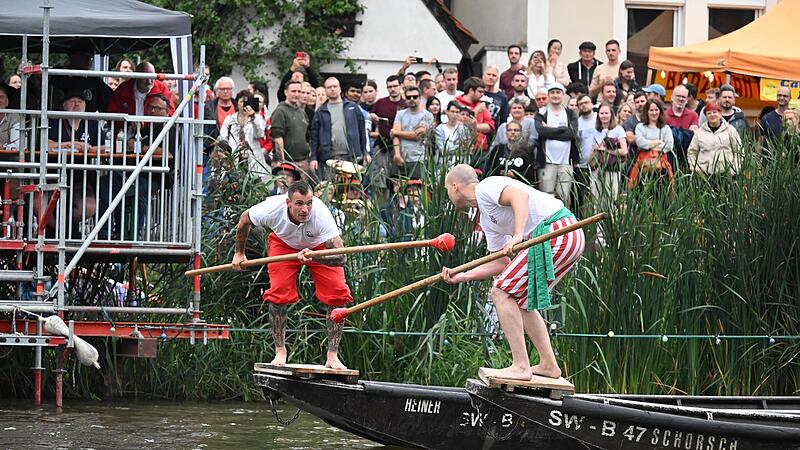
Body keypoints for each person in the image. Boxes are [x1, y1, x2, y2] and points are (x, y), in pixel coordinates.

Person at [441, 165, 585, 380]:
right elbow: (501, 263)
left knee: (500, 291)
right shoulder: (486, 219)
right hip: (563, 237)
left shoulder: (486, 187)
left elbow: (519, 196)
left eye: (447, 190)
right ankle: (548, 365)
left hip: (558, 231)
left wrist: (518, 235)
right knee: (520, 299)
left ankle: (520, 366)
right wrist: (463, 275)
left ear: (455, 187)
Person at [232, 181, 352, 370]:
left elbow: (341, 258)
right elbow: (244, 220)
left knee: (338, 292)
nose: (305, 209)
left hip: (317, 248)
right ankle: (280, 351)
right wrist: (239, 253)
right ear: (288, 202)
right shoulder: (270, 209)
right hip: (283, 245)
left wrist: (313, 258)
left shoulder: (321, 216)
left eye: (309, 203)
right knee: (279, 293)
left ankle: (332, 356)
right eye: (299, 204)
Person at [309, 77, 368, 180]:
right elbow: (314, 137)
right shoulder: (321, 111)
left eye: (335, 86)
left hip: (352, 156)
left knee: (353, 189)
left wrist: (365, 152)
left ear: (340, 88)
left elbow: (362, 131)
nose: (332, 89)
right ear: (325, 90)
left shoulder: (353, 107)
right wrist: (313, 157)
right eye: (329, 87)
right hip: (330, 158)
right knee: (331, 189)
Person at [534, 82, 579, 203]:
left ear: (563, 95)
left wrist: (550, 130)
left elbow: (572, 134)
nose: (555, 95)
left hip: (566, 162)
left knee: (564, 196)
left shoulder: (570, 114)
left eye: (558, 92)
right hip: (547, 162)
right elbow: (541, 131)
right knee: (546, 196)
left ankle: (565, 221)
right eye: (552, 92)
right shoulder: (542, 113)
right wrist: (563, 129)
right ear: (548, 95)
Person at [370, 76, 407, 200]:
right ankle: (381, 211)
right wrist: (374, 118)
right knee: (380, 180)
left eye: (395, 86)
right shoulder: (381, 102)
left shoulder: (405, 104)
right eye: (389, 87)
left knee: (398, 181)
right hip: (382, 145)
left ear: (401, 86)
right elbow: (371, 120)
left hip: (399, 146)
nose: (392, 89)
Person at [219, 90, 269, 181]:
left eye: (246, 102)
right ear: (237, 103)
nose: (243, 104)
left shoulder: (257, 118)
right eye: (241, 101)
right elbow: (223, 137)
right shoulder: (230, 119)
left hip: (252, 161)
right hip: (234, 160)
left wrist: (253, 117)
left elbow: (260, 134)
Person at [687, 101, 741, 177]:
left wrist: (734, 169)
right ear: (706, 116)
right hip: (704, 175)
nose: (712, 115)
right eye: (709, 113)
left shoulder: (731, 131)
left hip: (727, 174)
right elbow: (692, 152)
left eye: (714, 112)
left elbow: (738, 151)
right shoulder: (699, 133)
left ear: (720, 114)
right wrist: (695, 168)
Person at [270, 80, 311, 178]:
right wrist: (282, 162)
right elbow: (277, 138)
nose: (296, 94)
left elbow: (306, 137)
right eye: (293, 91)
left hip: (303, 162)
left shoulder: (302, 113)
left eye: (299, 91)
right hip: (287, 162)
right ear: (285, 92)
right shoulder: (280, 111)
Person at [589, 102, 628, 204]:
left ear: (611, 114)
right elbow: (592, 149)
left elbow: (624, 151)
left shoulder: (618, 129)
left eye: (606, 113)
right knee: (596, 198)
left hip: (612, 169)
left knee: (610, 199)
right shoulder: (596, 131)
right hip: (597, 168)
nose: (604, 116)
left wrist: (606, 150)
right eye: (602, 113)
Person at [392, 85, 434, 179]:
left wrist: (397, 132)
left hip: (419, 159)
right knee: (397, 189)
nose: (411, 99)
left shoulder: (427, 115)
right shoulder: (400, 114)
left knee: (417, 190)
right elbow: (395, 136)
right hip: (401, 158)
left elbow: (417, 135)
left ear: (420, 98)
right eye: (408, 97)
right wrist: (397, 154)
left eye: (415, 97)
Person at [631, 99, 674, 187]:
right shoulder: (640, 127)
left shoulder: (665, 128)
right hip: (643, 164)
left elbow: (669, 145)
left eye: (656, 110)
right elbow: (640, 142)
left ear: (660, 111)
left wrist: (649, 145)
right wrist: (657, 142)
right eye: (651, 110)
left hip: (661, 165)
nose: (654, 113)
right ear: (647, 111)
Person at [456, 77, 495, 152]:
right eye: (480, 92)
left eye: (483, 92)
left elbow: (490, 126)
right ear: (471, 90)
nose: (482, 95)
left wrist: (475, 126)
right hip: (462, 149)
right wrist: (475, 111)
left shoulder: (481, 105)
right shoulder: (456, 103)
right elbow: (461, 124)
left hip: (480, 149)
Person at [575, 94, 596, 215]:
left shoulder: (599, 118)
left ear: (592, 103)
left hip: (598, 165)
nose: (584, 105)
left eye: (586, 102)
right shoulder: (577, 123)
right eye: (581, 104)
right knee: (582, 199)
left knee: (596, 197)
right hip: (582, 166)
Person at [435, 101, 470, 166]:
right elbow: (443, 150)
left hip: (460, 164)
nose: (454, 114)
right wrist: (459, 146)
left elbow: (466, 148)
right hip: (442, 165)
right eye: (452, 111)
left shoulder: (464, 129)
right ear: (447, 112)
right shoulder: (439, 129)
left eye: (457, 112)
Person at [760, 86, 791, 158]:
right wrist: (757, 163)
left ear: (790, 98)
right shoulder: (766, 118)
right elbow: (760, 142)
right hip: (769, 163)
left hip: (790, 164)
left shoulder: (795, 118)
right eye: (779, 95)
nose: (782, 98)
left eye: (785, 96)